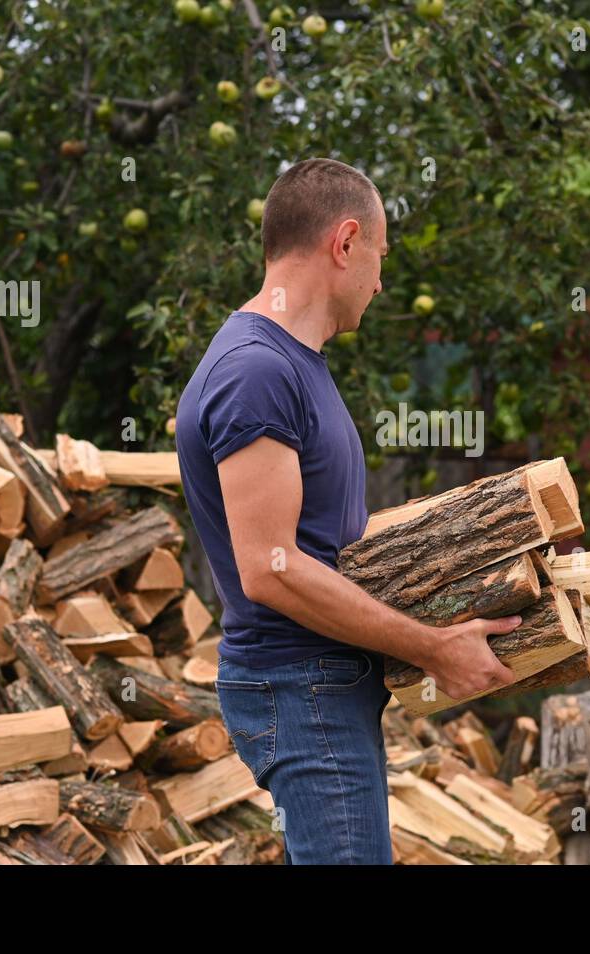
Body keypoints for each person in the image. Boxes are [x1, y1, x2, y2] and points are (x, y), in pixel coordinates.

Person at [174, 157, 519, 864]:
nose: (381, 281)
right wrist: (430, 647)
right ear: (346, 241)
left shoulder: (291, 362)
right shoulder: (256, 370)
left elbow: (329, 542)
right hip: (300, 687)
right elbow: (269, 570)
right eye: (381, 257)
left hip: (318, 688)